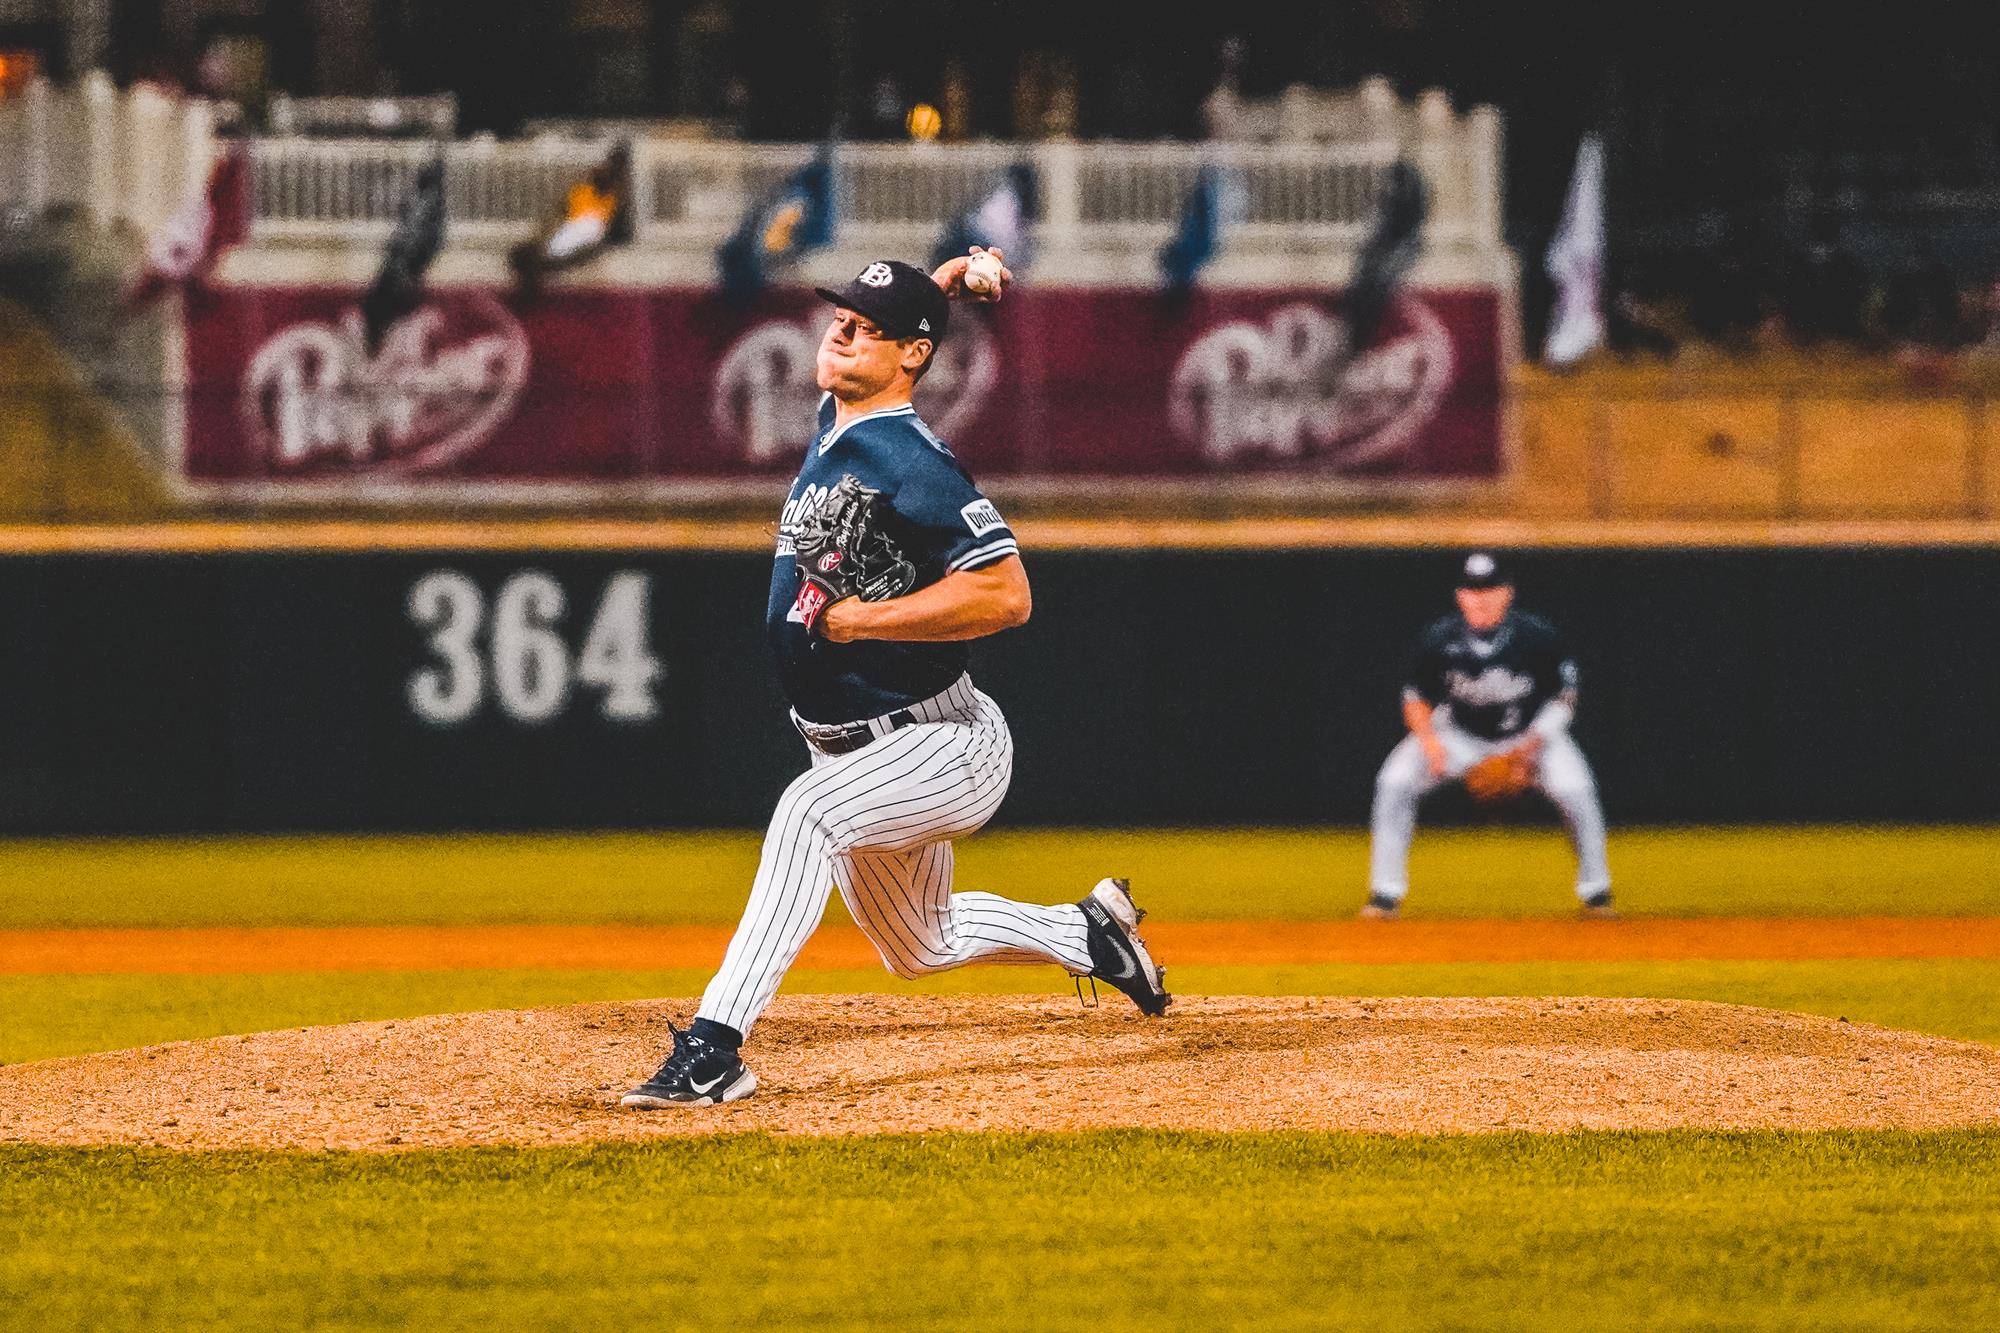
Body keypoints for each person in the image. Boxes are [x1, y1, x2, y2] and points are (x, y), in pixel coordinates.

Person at [622, 251, 1171, 1109]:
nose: (841, 332)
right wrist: (936, 288)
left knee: (807, 815)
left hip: (942, 740)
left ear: (912, 356)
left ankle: (715, 1049)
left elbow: (1008, 593)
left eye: (866, 328)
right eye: (841, 317)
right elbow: (888, 345)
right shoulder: (838, 427)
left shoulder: (915, 460)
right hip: (848, 745)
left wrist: (864, 620)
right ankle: (1089, 933)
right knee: (921, 944)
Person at [1361, 553, 1614, 921]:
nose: (1480, 598)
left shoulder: (1537, 637)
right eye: (1472, 590)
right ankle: (1385, 895)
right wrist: (1430, 742)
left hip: (1531, 735)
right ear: (1459, 596)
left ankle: (1597, 894)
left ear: (1507, 593)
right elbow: (1416, 698)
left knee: (1576, 789)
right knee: (1395, 781)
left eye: (1489, 589)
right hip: (1459, 734)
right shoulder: (1438, 639)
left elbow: (1564, 698)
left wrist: (1529, 749)